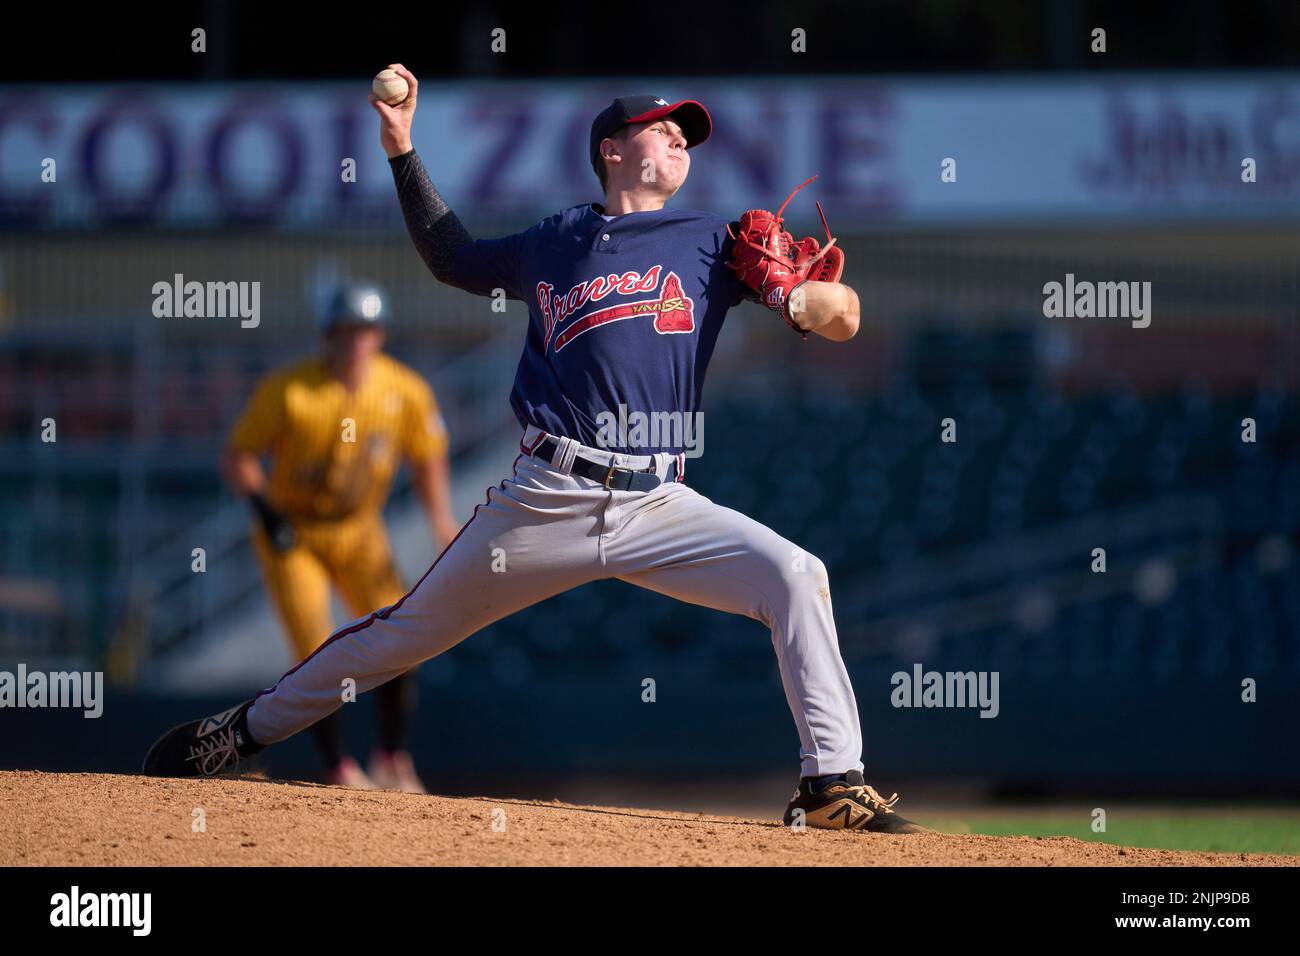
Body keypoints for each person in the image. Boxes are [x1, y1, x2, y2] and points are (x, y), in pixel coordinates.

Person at [145, 66, 926, 833]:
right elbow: (453, 258)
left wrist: (804, 300)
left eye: (689, 138)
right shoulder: (557, 239)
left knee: (796, 573)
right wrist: (400, 148)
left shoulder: (711, 242)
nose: (682, 144)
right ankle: (241, 733)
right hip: (548, 495)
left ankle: (830, 784)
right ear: (612, 149)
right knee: (399, 634)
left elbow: (845, 316)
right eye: (664, 129)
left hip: (659, 500)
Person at [215, 281, 459, 792]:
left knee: (403, 636)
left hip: (359, 528)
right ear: (327, 337)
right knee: (313, 648)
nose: (354, 342)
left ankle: (392, 758)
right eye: (344, 332)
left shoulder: (404, 389)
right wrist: (265, 511)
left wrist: (440, 519)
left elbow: (428, 453)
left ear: (380, 334)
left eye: (364, 330)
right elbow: (239, 454)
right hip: (295, 532)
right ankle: (338, 768)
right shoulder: (292, 388)